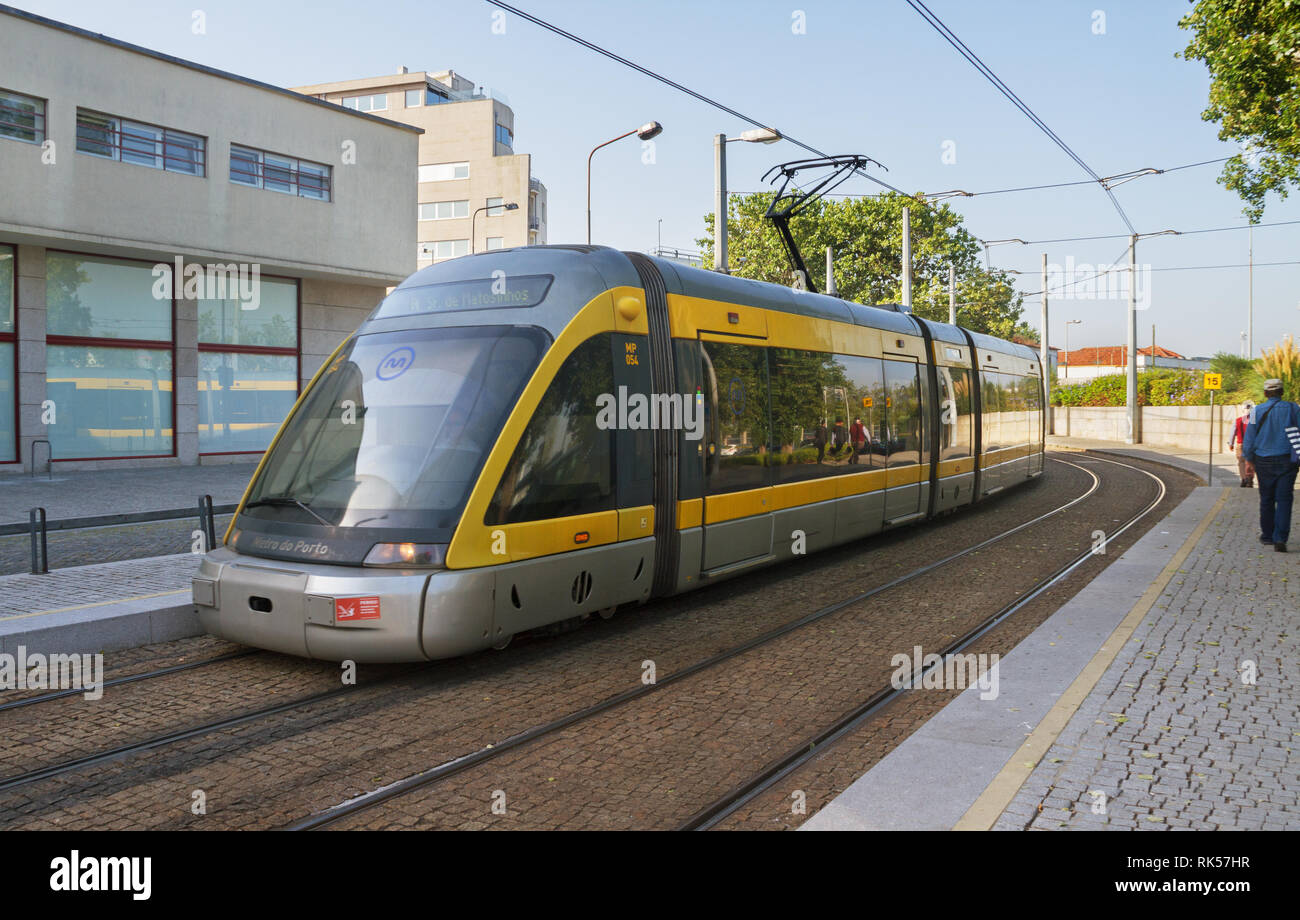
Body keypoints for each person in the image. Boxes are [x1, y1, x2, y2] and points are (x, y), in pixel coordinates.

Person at [1242, 379, 1300, 553]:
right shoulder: (1294, 408)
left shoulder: (1255, 411)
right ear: (1282, 392)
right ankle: (1280, 537)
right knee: (1284, 499)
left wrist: (1248, 461)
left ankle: (1267, 535)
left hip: (1263, 461)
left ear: (1266, 393)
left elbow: (1249, 438)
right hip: (1287, 460)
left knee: (1266, 499)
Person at [1228, 401, 1255, 488]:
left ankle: (1244, 479)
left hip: (1241, 444)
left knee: (1241, 462)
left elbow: (1232, 432)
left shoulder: (1238, 420)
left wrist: (1231, 443)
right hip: (1252, 444)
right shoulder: (1255, 421)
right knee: (1250, 462)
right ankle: (1250, 477)